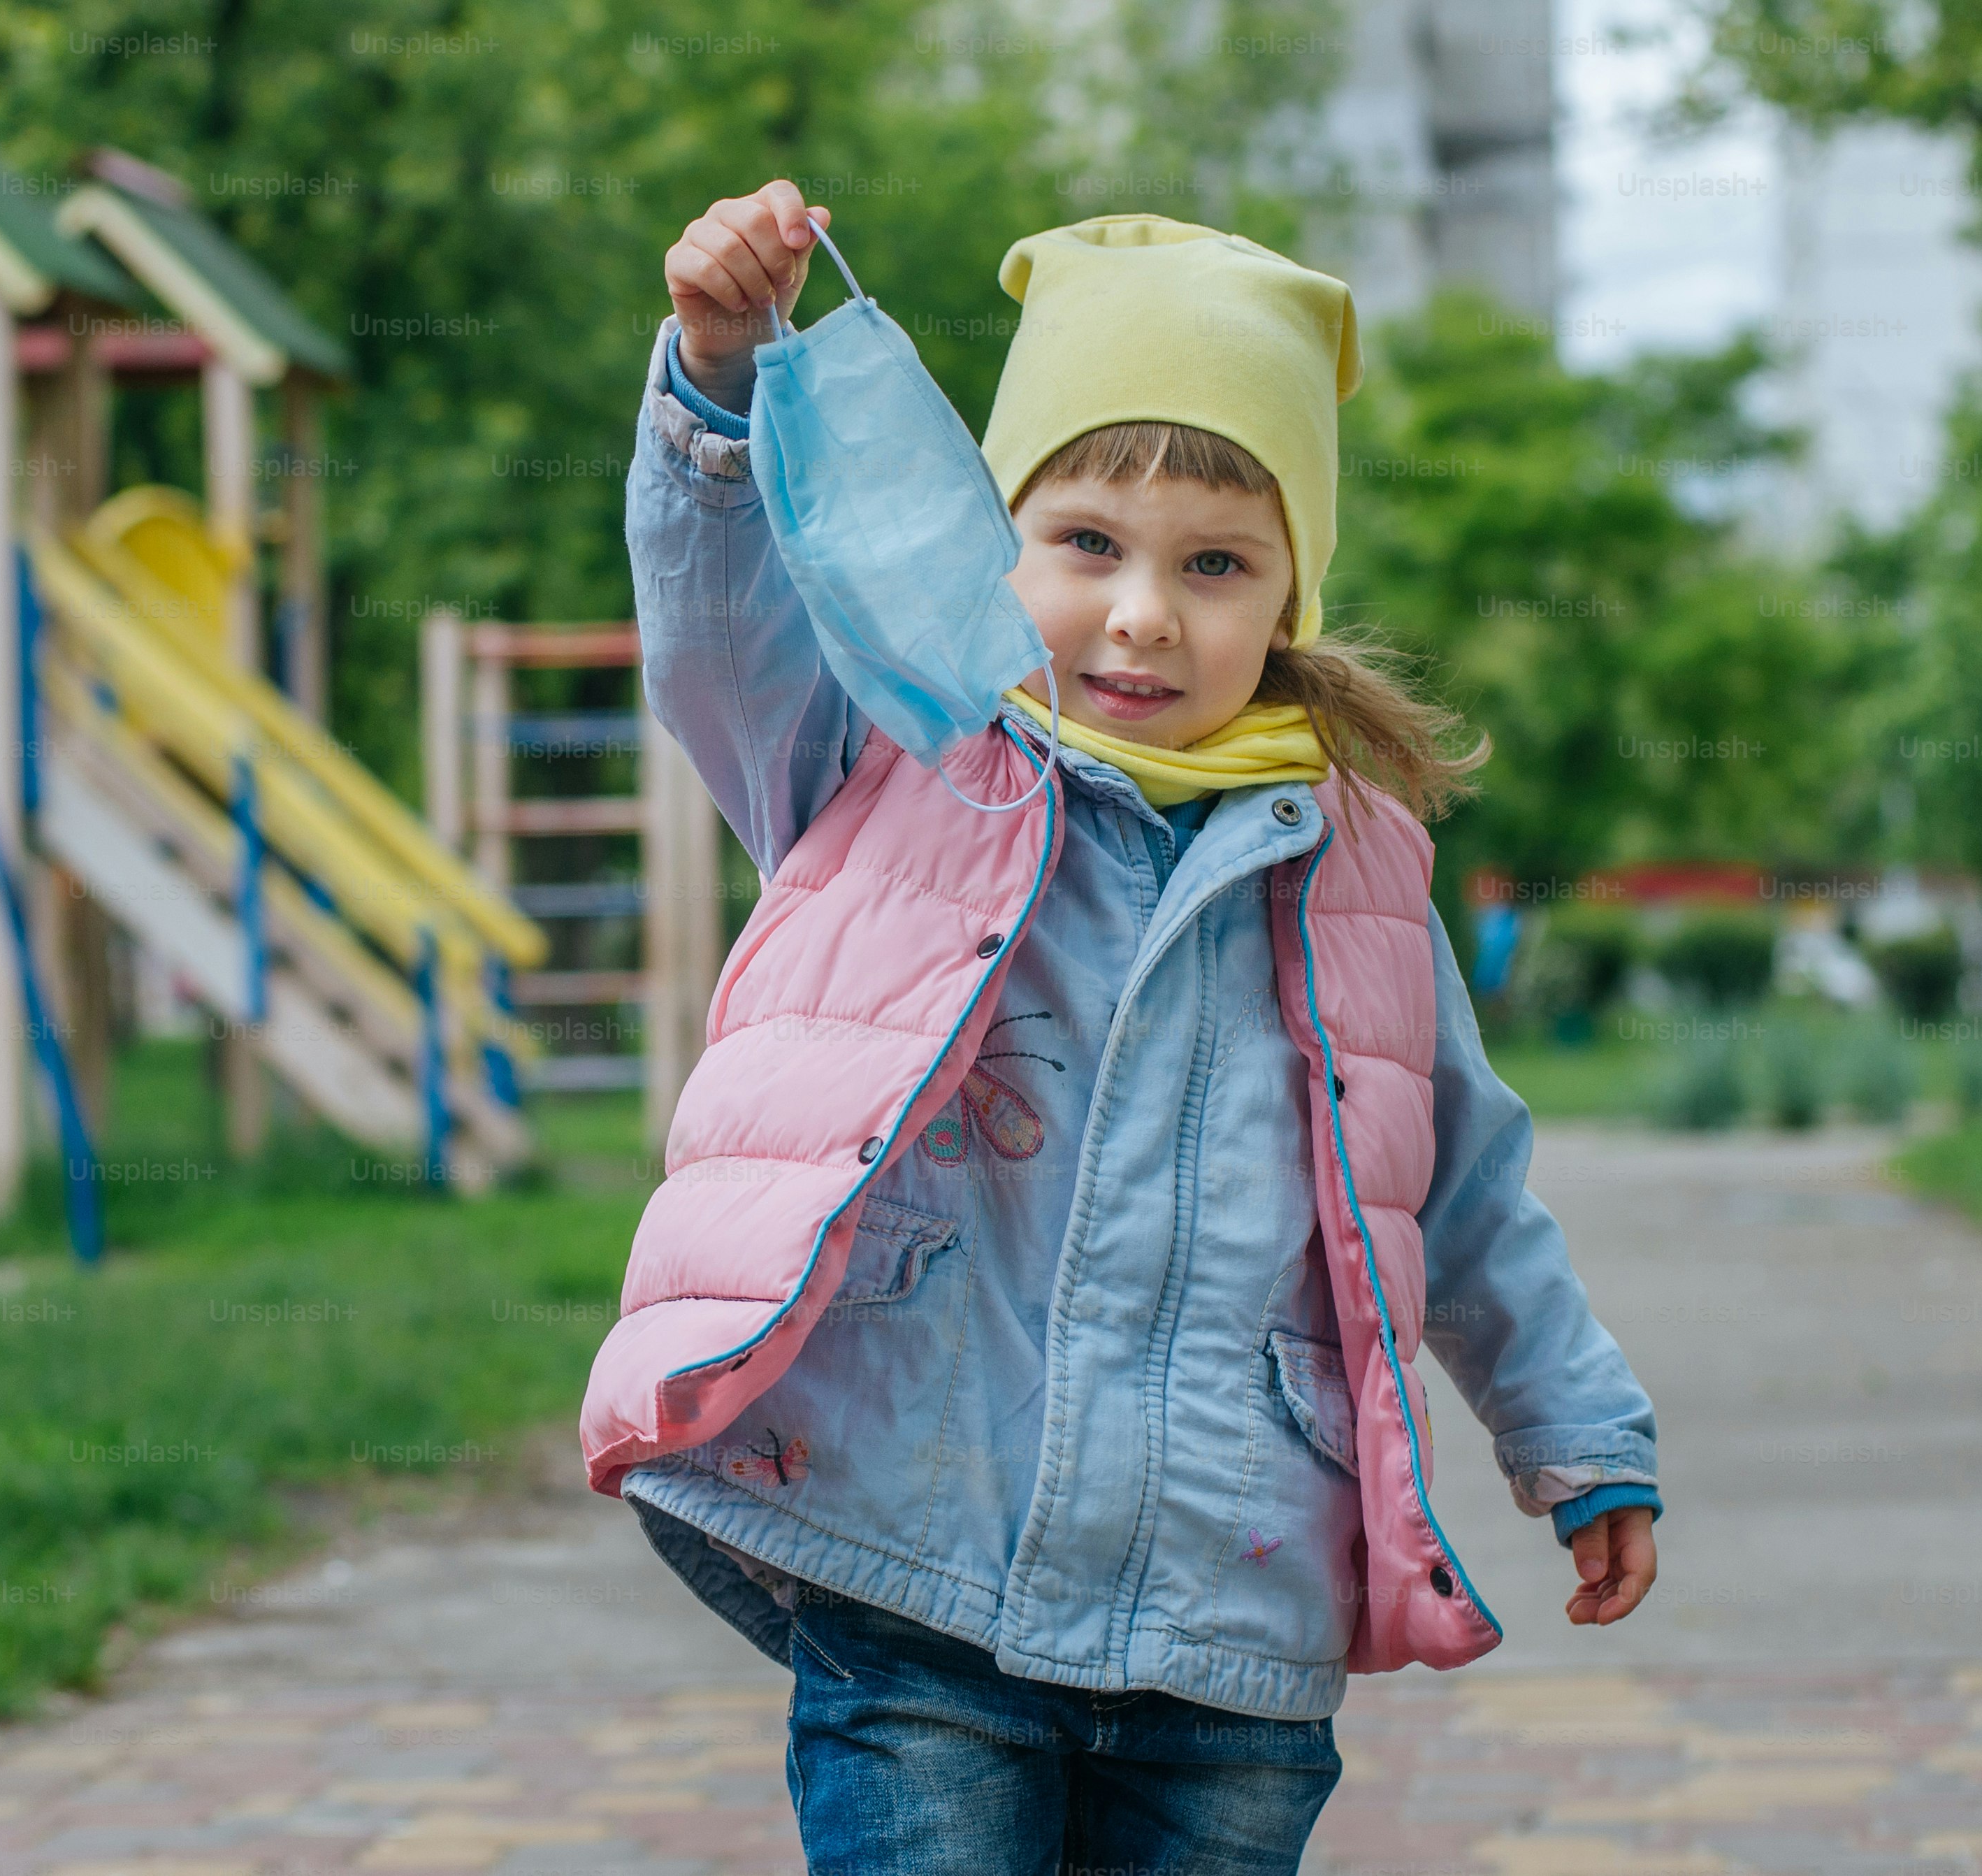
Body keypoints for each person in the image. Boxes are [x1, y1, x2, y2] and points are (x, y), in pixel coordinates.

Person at [582, 182, 1663, 1874]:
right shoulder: (887, 757)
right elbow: (717, 632)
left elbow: (1457, 1187)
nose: (1141, 614)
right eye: (1084, 542)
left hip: (1231, 1613)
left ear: (1287, 599)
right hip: (914, 1563)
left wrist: (1575, 1433)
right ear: (993, 542)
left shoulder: (1351, 860)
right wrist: (719, 384)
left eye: (1214, 564)